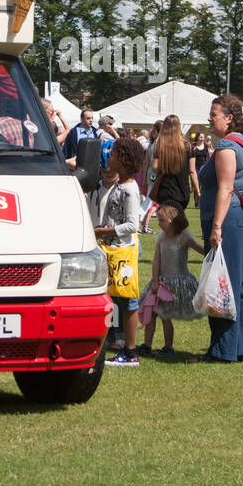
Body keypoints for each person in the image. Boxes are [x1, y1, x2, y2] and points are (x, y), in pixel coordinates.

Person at [192, 94, 243, 363]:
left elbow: (226, 187)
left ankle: (223, 350)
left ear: (229, 118)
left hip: (229, 221)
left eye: (214, 114)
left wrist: (217, 226)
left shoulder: (227, 146)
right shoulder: (240, 143)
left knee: (222, 285)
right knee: (239, 284)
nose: (209, 119)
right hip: (237, 220)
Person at [91, 137, 145, 365]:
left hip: (123, 252)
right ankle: (108, 343)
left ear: (122, 161)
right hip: (111, 249)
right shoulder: (119, 186)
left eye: (112, 155)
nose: (108, 158)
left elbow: (133, 225)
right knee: (112, 300)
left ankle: (130, 351)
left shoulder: (130, 189)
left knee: (128, 302)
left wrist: (105, 231)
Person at [139, 205, 204, 357]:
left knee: (165, 315)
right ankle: (146, 345)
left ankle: (168, 347)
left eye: (162, 220)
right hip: (160, 283)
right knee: (151, 313)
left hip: (176, 283)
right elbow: (156, 262)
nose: (159, 223)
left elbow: (201, 250)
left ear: (173, 221)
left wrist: (213, 250)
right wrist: (155, 282)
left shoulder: (184, 238)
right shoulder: (161, 238)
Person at [149, 115, 191, 216]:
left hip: (165, 189)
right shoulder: (186, 146)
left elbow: (155, 168)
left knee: (168, 224)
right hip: (182, 189)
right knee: (178, 222)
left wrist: (166, 164)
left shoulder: (160, 146)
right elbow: (191, 170)